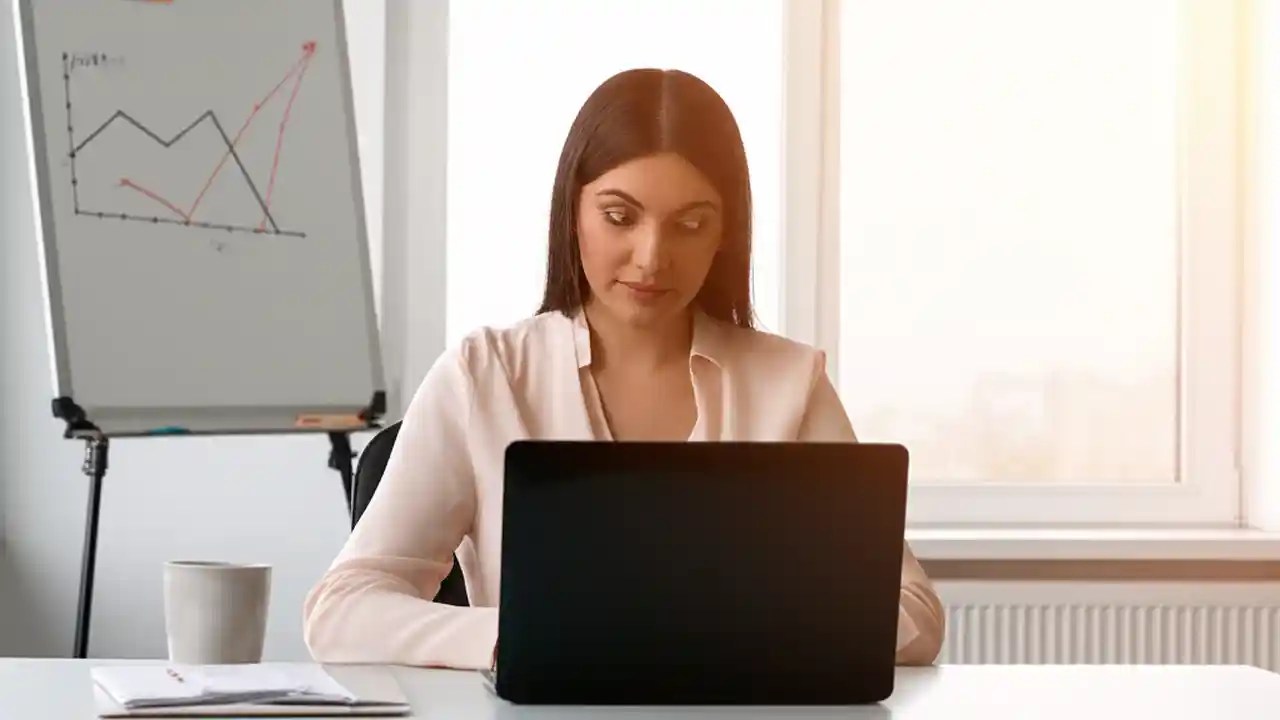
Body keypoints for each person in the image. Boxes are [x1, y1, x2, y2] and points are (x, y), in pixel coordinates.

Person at [303, 68, 944, 669]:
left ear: (725, 233)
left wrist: (731, 633)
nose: (652, 257)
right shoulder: (487, 373)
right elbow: (341, 611)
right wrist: (529, 634)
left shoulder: (790, 382)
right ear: (572, 213)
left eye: (690, 224)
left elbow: (912, 614)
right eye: (619, 217)